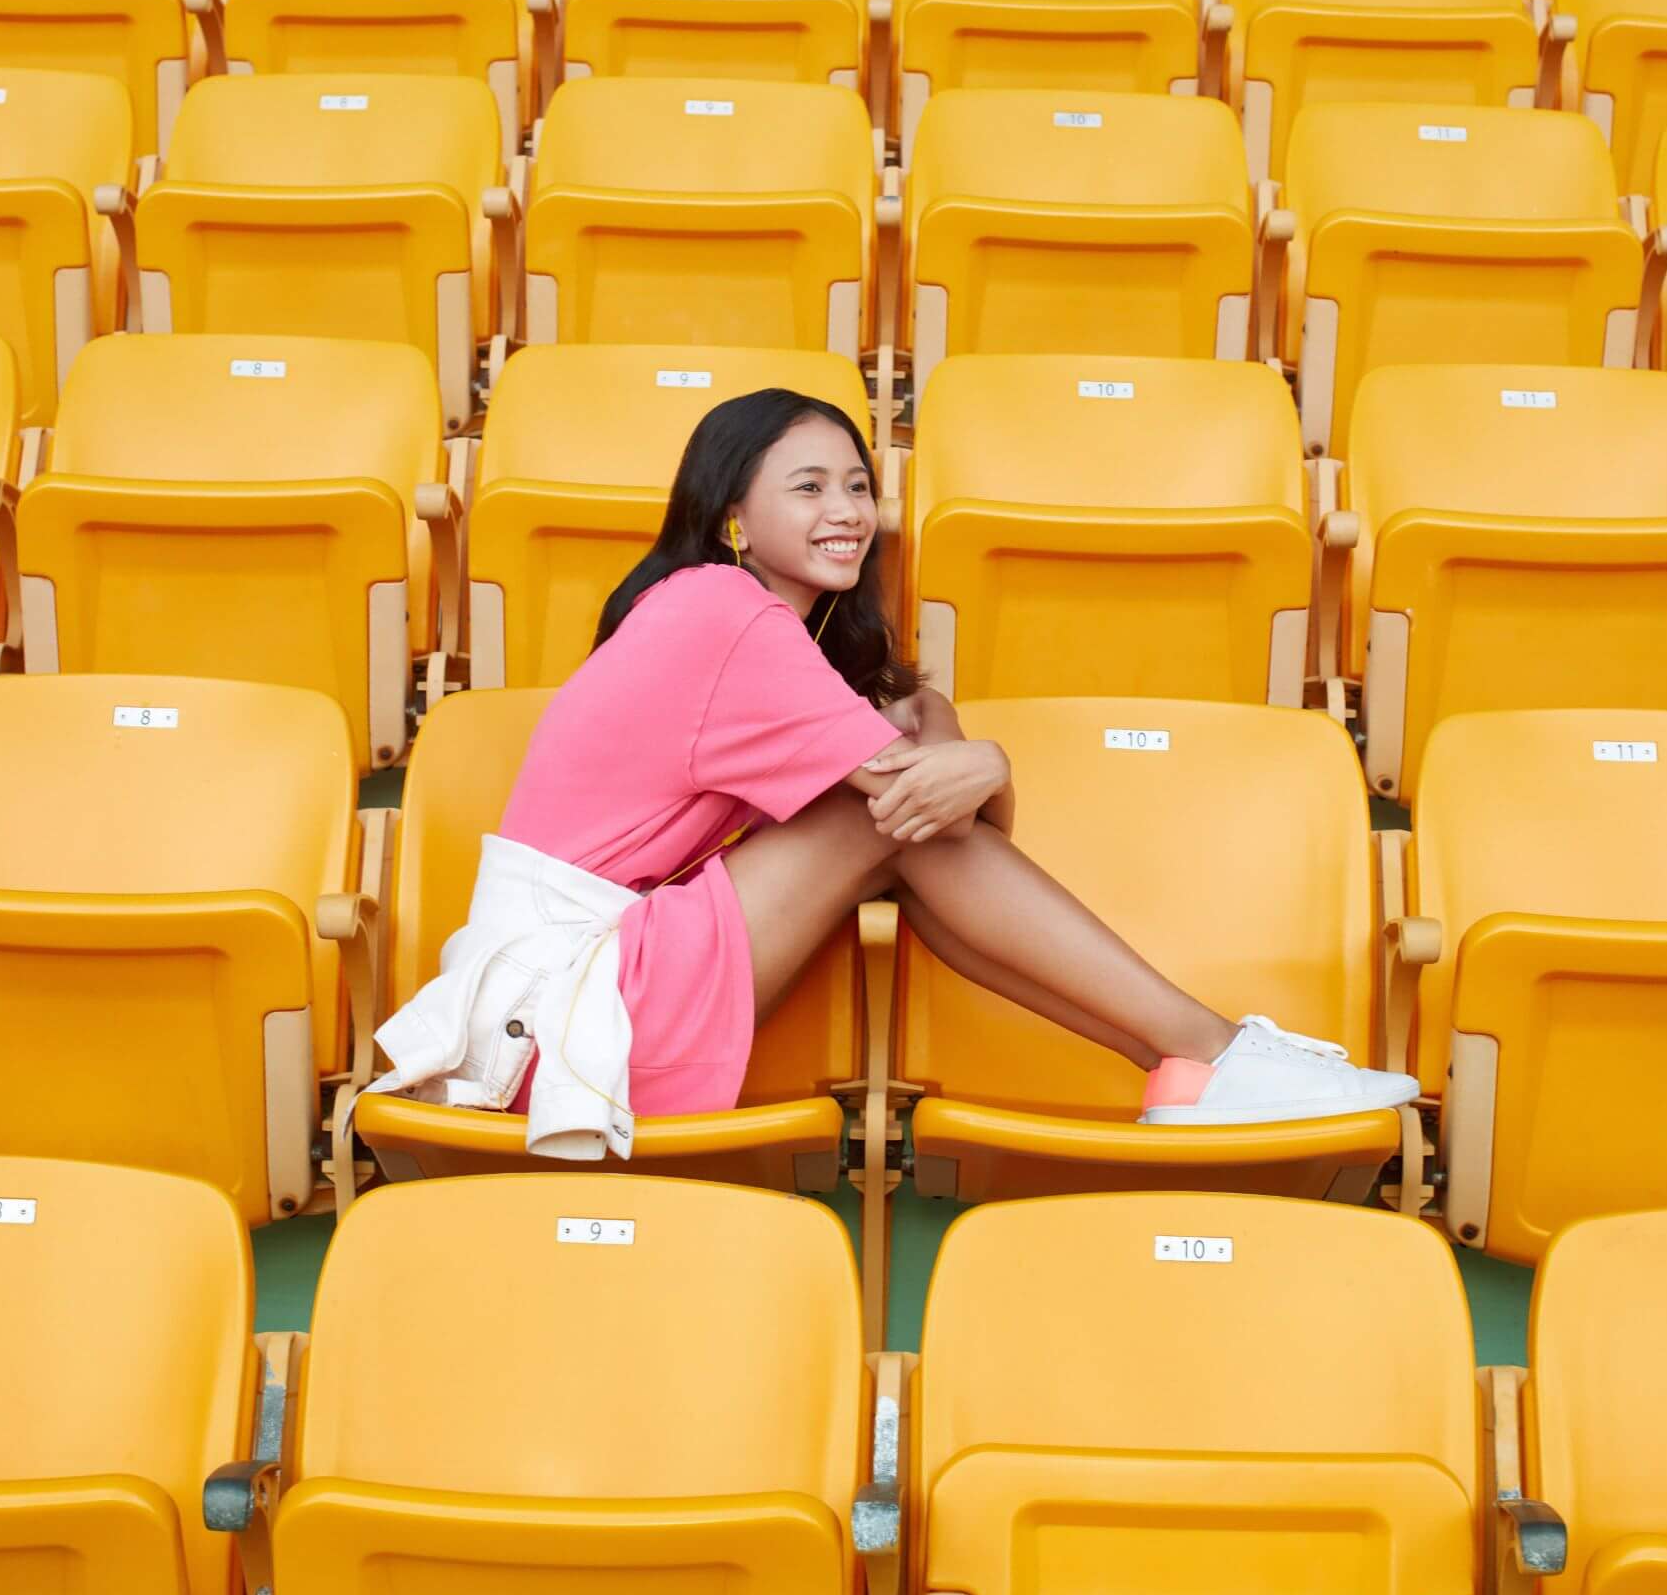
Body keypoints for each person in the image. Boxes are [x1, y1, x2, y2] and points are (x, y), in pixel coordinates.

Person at [390, 388, 1419, 1141]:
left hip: (589, 994)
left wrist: (952, 749)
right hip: (565, 1009)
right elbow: (934, 811)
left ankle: (1191, 1064)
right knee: (882, 809)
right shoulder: (720, 609)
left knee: (899, 771)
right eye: (808, 487)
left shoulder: (746, 627)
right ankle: (1215, 1053)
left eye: (858, 486)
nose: (847, 510)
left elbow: (946, 815)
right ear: (733, 516)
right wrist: (987, 759)